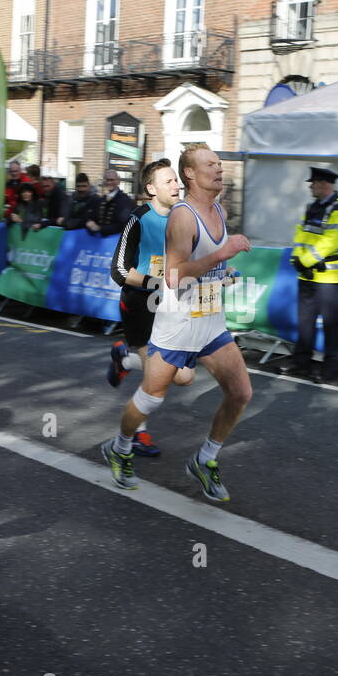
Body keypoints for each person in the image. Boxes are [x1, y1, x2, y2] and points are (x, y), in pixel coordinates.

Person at [101, 146, 251, 503]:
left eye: (219, 163)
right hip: (178, 322)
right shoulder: (182, 217)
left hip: (210, 319)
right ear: (190, 174)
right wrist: (221, 254)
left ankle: (205, 459)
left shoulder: (219, 209)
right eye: (210, 165)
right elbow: (173, 275)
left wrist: (222, 272)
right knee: (151, 398)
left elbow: (205, 264)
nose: (218, 169)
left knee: (241, 392)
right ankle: (120, 447)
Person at [107, 158, 195, 457]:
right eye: (169, 181)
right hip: (139, 303)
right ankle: (136, 435)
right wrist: (154, 282)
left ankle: (124, 361)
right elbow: (118, 270)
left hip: (169, 304)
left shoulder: (184, 216)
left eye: (176, 180)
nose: (176, 185)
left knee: (184, 377)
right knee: (157, 376)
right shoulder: (139, 217)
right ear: (151, 188)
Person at [280, 166, 338, 384]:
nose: (311, 186)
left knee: (331, 324)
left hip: (329, 278)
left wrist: (304, 261)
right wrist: (296, 257)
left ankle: (332, 367)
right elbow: (301, 235)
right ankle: (301, 361)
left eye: (314, 183)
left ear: (325, 184)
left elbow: (332, 241)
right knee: (305, 323)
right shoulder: (311, 207)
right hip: (307, 275)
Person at [87, 167, 133, 236]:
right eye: (107, 180)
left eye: (112, 180)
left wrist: (100, 228)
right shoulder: (101, 199)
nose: (109, 182)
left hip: (116, 242)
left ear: (118, 181)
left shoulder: (125, 200)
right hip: (101, 241)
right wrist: (90, 222)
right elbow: (93, 216)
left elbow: (123, 224)